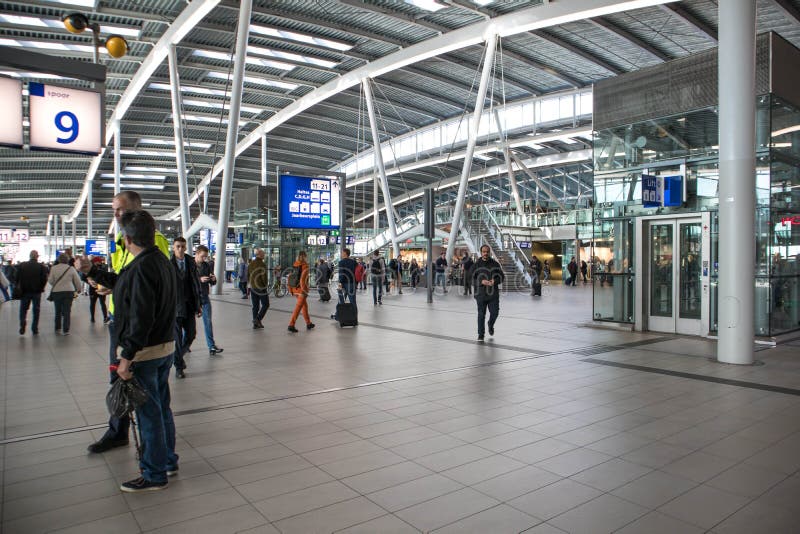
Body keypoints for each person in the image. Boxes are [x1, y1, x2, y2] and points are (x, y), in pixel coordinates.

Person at [82, 209, 178, 492]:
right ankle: (167, 461)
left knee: (149, 415)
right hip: (164, 348)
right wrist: (93, 272)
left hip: (145, 353)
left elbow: (141, 317)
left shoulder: (142, 267)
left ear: (126, 238)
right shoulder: (159, 261)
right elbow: (125, 284)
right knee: (161, 409)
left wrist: (126, 357)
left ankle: (153, 474)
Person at [170, 237, 202, 379]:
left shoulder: (190, 262)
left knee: (191, 334)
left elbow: (196, 284)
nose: (181, 249)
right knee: (177, 339)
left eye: (183, 246)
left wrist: (198, 304)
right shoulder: (168, 264)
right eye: (178, 246)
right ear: (173, 247)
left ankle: (177, 358)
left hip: (189, 305)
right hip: (175, 307)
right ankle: (178, 367)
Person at [195, 245, 224, 356]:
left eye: (205, 257)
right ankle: (185, 344)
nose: (204, 259)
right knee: (189, 324)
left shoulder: (206, 266)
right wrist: (199, 279)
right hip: (193, 298)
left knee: (208, 322)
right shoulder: (190, 265)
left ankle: (211, 346)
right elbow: (186, 281)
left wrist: (213, 279)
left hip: (204, 297)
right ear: (196, 253)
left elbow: (212, 282)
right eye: (202, 256)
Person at [472, 245, 504, 342]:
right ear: (481, 252)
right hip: (480, 294)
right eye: (483, 252)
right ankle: (481, 334)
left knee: (495, 313)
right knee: (481, 314)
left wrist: (495, 281)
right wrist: (481, 282)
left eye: (487, 252)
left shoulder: (495, 264)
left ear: (489, 252)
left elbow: (501, 277)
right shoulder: (476, 265)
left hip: (493, 294)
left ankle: (490, 324)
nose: (485, 253)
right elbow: (471, 279)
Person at [48, 253, 82, 335]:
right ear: (67, 260)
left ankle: (57, 328)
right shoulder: (71, 268)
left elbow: (50, 280)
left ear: (59, 260)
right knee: (67, 311)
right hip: (68, 292)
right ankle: (66, 330)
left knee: (58, 311)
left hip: (57, 292)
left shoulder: (54, 268)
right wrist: (78, 289)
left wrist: (56, 285)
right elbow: (77, 280)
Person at [16, 250, 48, 335]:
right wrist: (41, 288)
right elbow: (44, 279)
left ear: (30, 256)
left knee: (23, 309)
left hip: (24, 291)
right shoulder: (41, 267)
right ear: (37, 257)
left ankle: (22, 323)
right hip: (36, 292)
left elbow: (16, 277)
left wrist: (18, 286)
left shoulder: (22, 265)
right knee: (36, 310)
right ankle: (35, 328)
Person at [288, 250, 314, 332]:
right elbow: (302, 280)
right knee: (298, 307)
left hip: (294, 288)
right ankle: (291, 324)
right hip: (301, 290)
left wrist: (290, 289)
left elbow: (290, 277)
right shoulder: (305, 266)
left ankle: (308, 323)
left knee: (304, 306)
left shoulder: (295, 264)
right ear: (305, 257)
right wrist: (304, 291)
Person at [332, 247, 358, 323]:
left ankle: (338, 316)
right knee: (353, 302)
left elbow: (342, 274)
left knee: (341, 301)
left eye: (342, 252)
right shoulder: (353, 262)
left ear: (345, 253)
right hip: (352, 283)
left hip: (345, 284)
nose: (341, 254)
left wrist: (340, 283)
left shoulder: (341, 262)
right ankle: (355, 318)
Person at [248, 248, 269, 329]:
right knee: (266, 304)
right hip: (261, 288)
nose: (264, 255)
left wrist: (250, 284)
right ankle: (257, 319)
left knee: (255, 306)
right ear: (259, 255)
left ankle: (255, 324)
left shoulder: (251, 264)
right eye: (263, 254)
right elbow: (264, 277)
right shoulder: (262, 264)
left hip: (253, 287)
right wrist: (265, 285)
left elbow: (248, 275)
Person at [86, 256, 110, 323]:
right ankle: (92, 318)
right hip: (93, 289)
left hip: (101, 287)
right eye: (98, 261)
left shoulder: (103, 267)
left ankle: (105, 317)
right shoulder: (90, 268)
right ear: (95, 261)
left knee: (102, 303)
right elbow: (84, 277)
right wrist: (89, 280)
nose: (100, 262)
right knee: (93, 303)